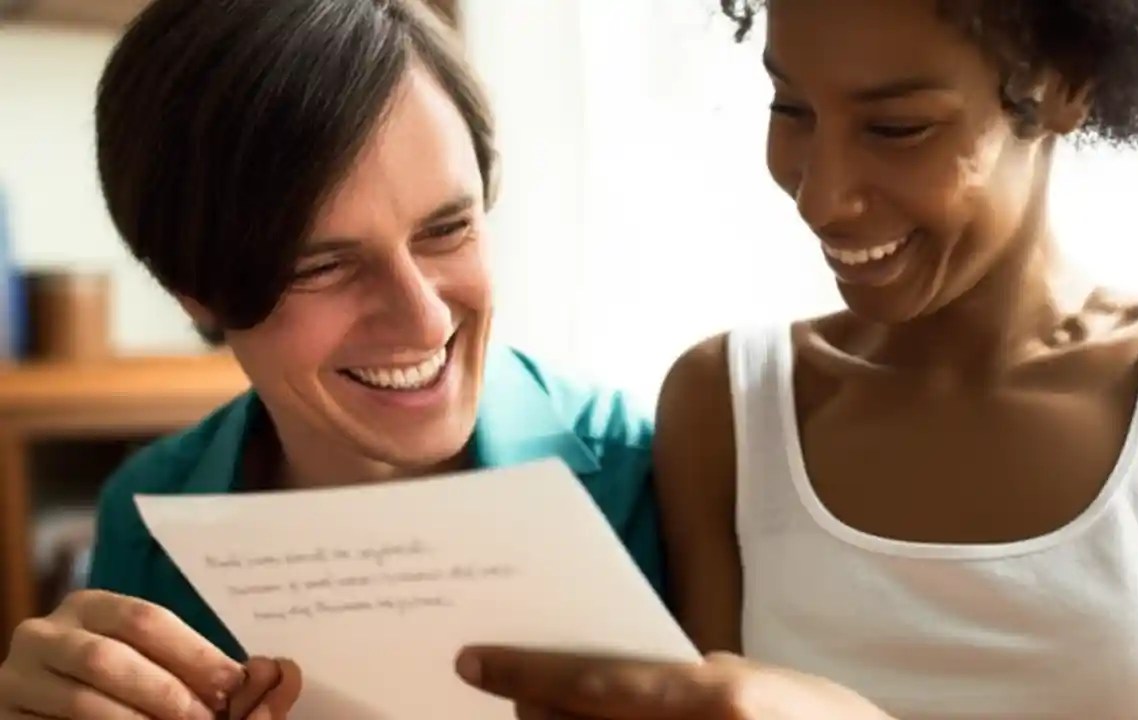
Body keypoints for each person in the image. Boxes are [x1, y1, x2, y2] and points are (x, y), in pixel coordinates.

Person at [0, 1, 667, 718]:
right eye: (321, 266)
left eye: (448, 229)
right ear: (192, 292)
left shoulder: (654, 474)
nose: (425, 317)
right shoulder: (146, 518)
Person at [639, 0, 1138, 718]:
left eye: (897, 128)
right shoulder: (726, 407)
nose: (821, 199)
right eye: (791, 108)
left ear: (1066, 87)